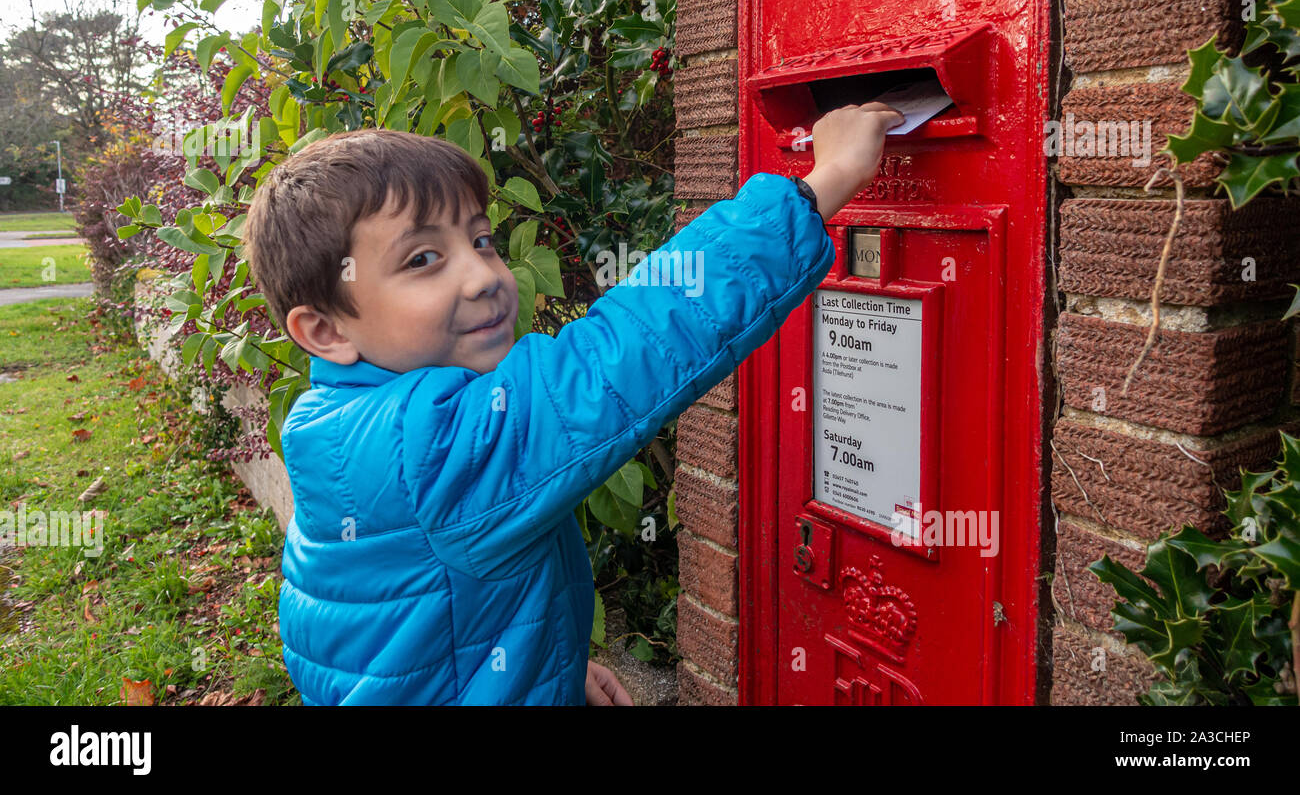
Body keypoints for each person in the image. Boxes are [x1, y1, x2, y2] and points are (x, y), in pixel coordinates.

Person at [242, 101, 904, 705]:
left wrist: (536, 665)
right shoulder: (430, 446)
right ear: (326, 331)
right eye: (421, 259)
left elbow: (418, 622)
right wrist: (823, 184)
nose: (483, 276)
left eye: (480, 240)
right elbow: (624, 352)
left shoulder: (335, 425)